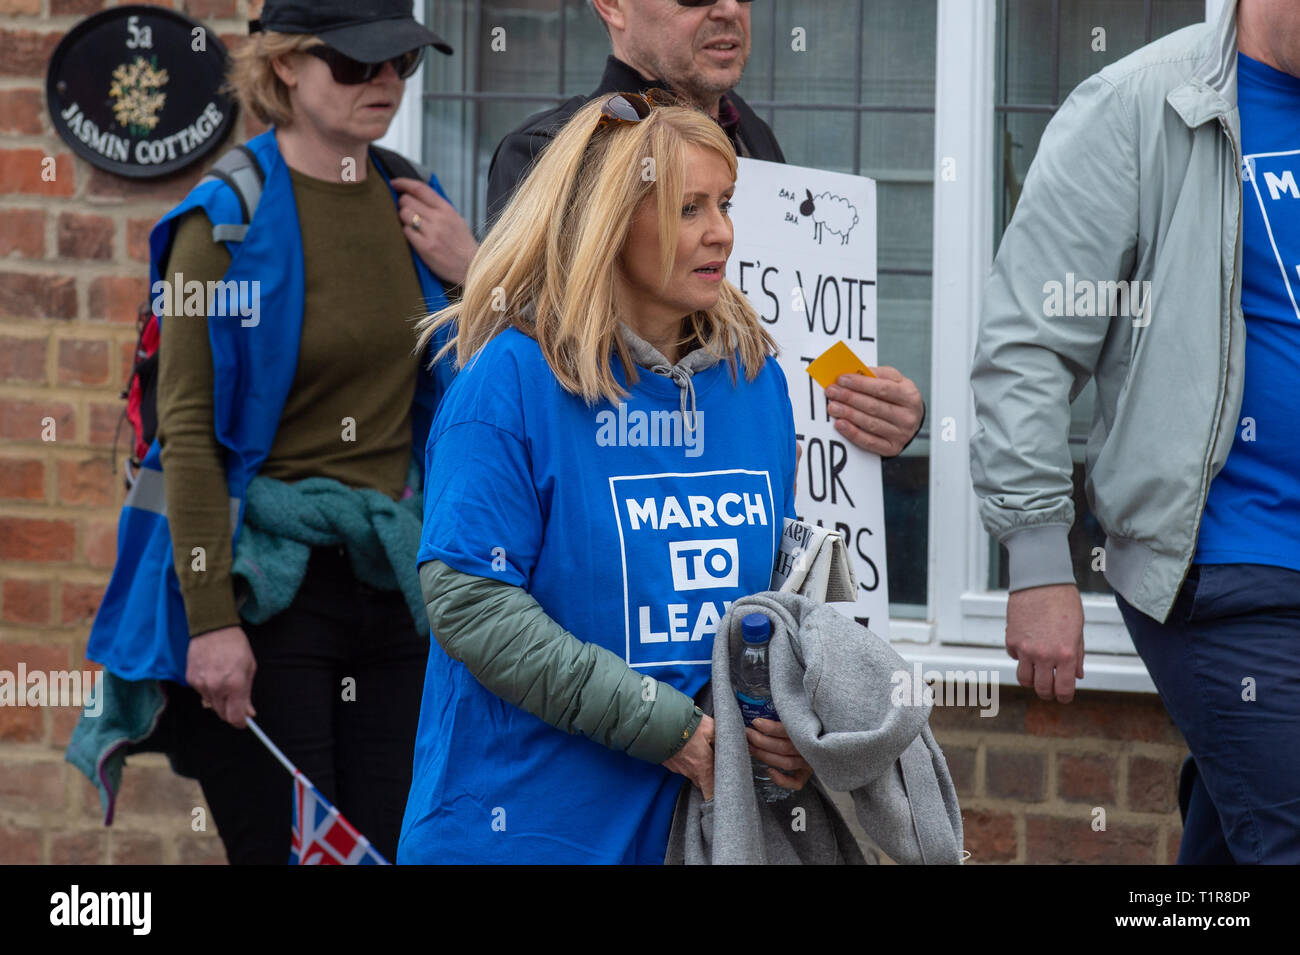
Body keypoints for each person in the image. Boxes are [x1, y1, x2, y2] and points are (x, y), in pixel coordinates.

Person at [72, 0, 477, 864]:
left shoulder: (417, 204)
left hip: (396, 580)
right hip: (272, 594)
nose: (386, 83)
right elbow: (186, 428)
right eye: (357, 63)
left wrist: (475, 277)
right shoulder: (224, 220)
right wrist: (212, 619)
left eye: (401, 63)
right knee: (296, 855)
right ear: (287, 65)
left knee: (401, 848)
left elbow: (484, 400)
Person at [399, 91, 814, 864]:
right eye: (688, 208)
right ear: (611, 222)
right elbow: (471, 602)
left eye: (724, 203)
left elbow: (773, 601)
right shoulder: (512, 381)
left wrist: (786, 718)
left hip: (692, 834)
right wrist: (664, 727)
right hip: (523, 828)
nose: (720, 230)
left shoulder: (757, 385)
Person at [969, 0, 1300, 864]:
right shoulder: (1141, 104)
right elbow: (1030, 344)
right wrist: (1038, 558)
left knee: (1243, 833)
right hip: (1227, 568)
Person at [487, 0, 924, 460]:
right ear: (612, 6)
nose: (729, 8)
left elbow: (793, 324)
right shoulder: (554, 155)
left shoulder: (752, 136)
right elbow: (541, 383)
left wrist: (875, 407)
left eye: (725, 202)